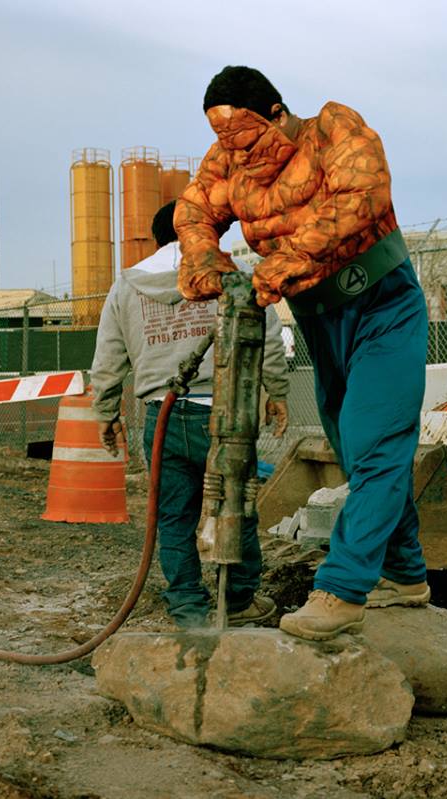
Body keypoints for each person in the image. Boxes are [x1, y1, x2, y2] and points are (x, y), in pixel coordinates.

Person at [176, 66, 430, 641]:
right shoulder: (226, 163)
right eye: (225, 143)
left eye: (246, 138)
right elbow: (192, 210)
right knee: (356, 446)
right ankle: (407, 573)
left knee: (374, 441)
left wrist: (289, 258)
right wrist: (200, 257)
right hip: (320, 321)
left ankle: (342, 590)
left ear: (276, 114)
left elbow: (364, 194)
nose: (237, 155)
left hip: (383, 307)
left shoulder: (332, 129)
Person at [90, 200, 290, 629]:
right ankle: (236, 600)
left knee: (174, 516)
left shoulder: (127, 285)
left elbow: (108, 356)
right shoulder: (230, 275)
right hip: (224, 415)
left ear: (157, 236)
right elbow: (266, 334)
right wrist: (277, 390)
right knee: (237, 506)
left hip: (161, 420)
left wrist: (106, 411)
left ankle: (187, 606)